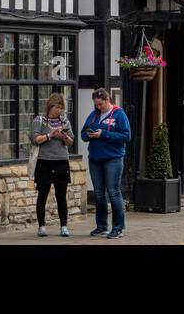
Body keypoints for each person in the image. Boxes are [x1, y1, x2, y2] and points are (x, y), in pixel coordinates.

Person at [80, 88, 131, 239]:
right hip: (95, 159)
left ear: (108, 100)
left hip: (113, 159)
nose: (98, 107)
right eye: (96, 105)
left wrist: (104, 134)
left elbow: (126, 136)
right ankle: (101, 226)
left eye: (100, 104)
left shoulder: (119, 114)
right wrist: (89, 135)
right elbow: (83, 133)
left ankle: (118, 227)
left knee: (113, 192)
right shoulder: (94, 115)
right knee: (99, 193)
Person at [31, 93, 75, 237]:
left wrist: (64, 137)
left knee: (61, 195)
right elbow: (35, 139)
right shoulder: (40, 120)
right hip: (44, 161)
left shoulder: (65, 121)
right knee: (42, 195)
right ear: (50, 106)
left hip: (61, 161)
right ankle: (42, 226)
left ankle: (64, 226)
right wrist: (50, 135)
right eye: (57, 107)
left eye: (61, 108)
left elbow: (70, 142)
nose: (59, 111)